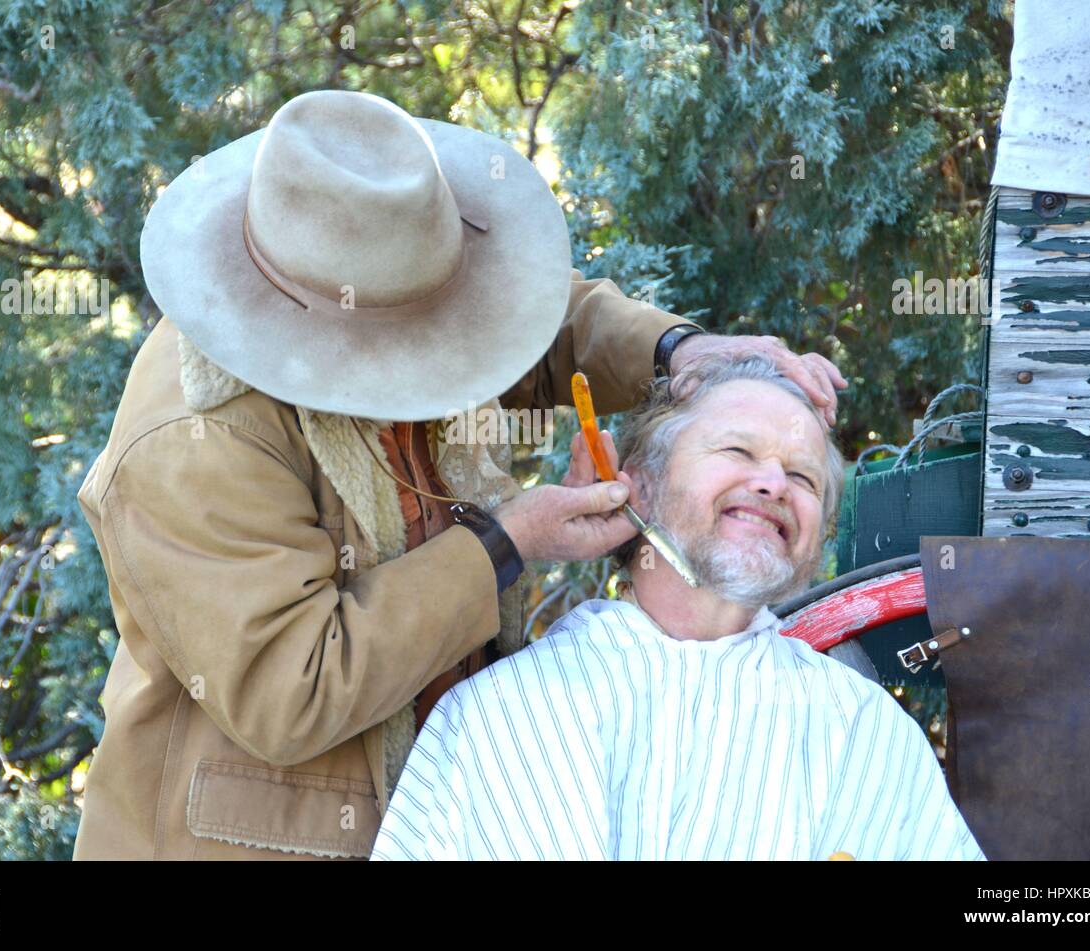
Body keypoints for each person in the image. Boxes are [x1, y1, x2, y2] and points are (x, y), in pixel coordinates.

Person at [71, 89, 846, 859]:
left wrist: (672, 350)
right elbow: (295, 689)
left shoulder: (390, 283)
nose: (768, 482)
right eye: (735, 451)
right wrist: (507, 541)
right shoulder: (192, 435)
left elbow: (530, 324)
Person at [371, 353, 985, 860]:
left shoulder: (865, 732)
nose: (773, 484)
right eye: (737, 453)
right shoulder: (507, 711)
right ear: (637, 481)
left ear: (816, 537)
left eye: (804, 479)